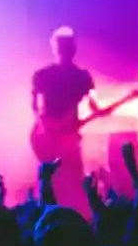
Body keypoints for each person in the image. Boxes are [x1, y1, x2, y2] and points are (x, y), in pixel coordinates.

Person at [31, 27, 100, 208]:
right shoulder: (46, 75)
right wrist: (48, 126)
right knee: (62, 181)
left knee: (60, 181)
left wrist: (46, 126)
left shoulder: (80, 77)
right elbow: (35, 106)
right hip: (53, 137)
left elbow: (35, 106)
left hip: (60, 138)